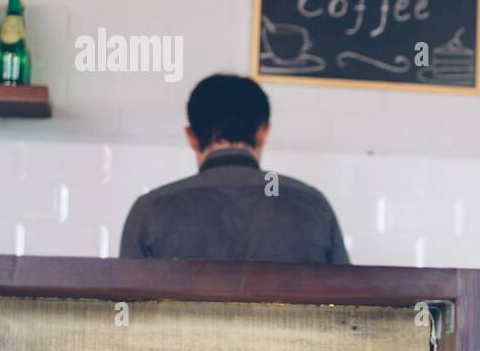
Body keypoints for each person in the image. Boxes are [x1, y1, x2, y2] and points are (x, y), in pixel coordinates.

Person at [120, 74, 349, 265]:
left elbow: (127, 306)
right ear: (263, 132)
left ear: (191, 136)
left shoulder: (150, 209)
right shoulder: (311, 203)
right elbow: (348, 304)